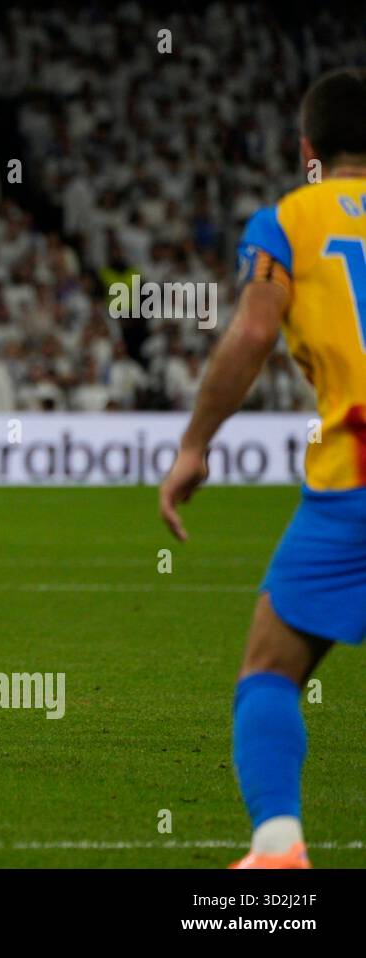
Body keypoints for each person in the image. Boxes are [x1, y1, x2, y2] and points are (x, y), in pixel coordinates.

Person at [159, 68, 366, 868]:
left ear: (308, 150)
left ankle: (278, 848)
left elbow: (249, 336)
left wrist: (193, 446)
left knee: (270, 670)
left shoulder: (288, 221)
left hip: (352, 481)